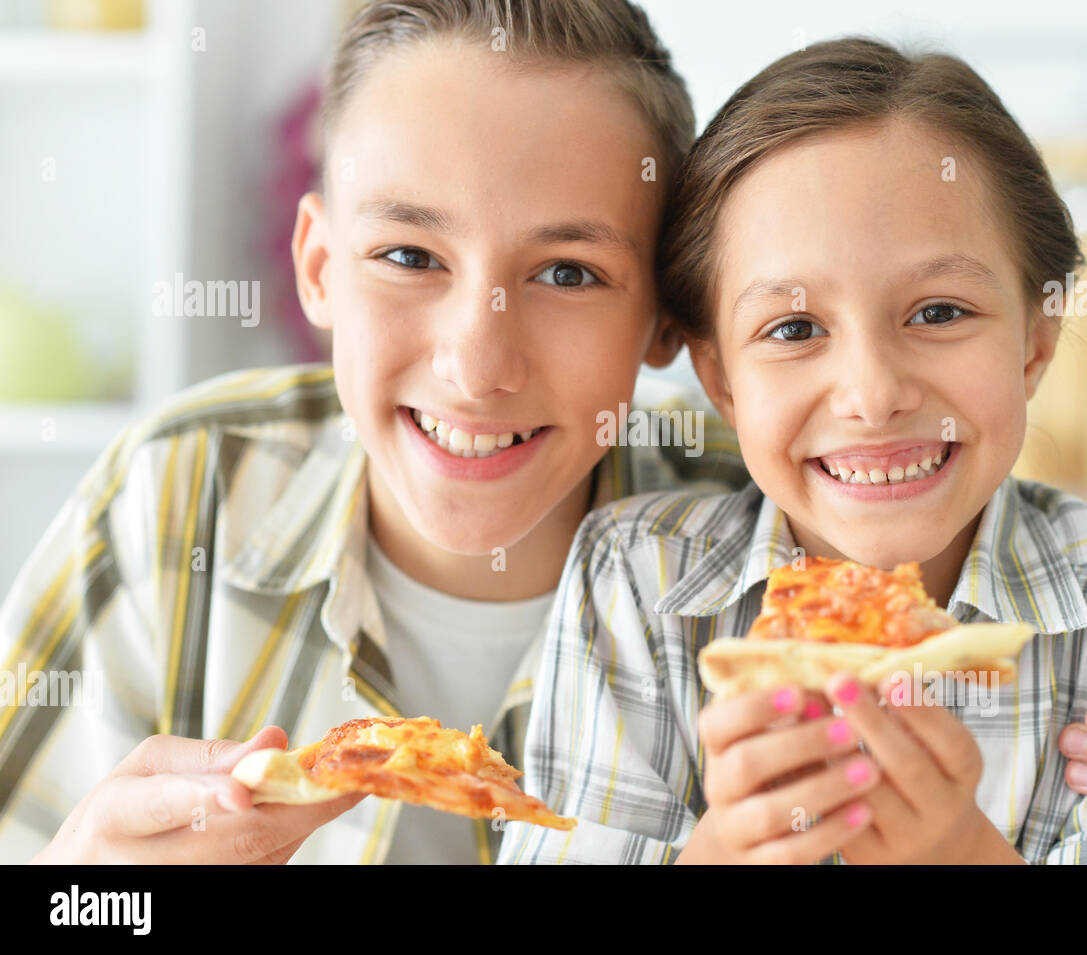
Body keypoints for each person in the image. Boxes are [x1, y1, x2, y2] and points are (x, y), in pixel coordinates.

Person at [499, 35, 1087, 865]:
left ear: (1033, 343)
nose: (873, 395)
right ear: (721, 380)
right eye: (795, 328)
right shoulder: (637, 582)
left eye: (939, 312)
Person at [1, 0, 741, 865]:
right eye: (410, 256)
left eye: (567, 272)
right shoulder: (177, 495)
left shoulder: (775, 544)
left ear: (663, 314)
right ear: (318, 267)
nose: (477, 366)